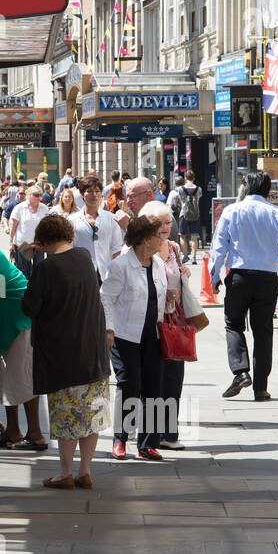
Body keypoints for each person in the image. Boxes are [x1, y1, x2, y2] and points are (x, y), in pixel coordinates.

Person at [22, 214, 111, 489]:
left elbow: (29, 307)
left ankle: (64, 473)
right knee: (90, 415)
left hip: (62, 354)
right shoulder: (84, 257)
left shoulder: (46, 268)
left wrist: (30, 260)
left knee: (67, 415)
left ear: (44, 240)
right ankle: (85, 470)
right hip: (92, 351)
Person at [210, 171, 278, 401]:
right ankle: (261, 387)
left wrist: (214, 278)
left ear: (246, 188)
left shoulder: (231, 212)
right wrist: (275, 255)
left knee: (233, 324)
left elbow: (218, 248)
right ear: (268, 191)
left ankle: (240, 371)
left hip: (239, 276)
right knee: (263, 331)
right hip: (267, 278)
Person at [101, 215, 170, 460]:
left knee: (153, 387)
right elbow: (106, 298)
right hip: (124, 335)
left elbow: (157, 296)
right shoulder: (120, 266)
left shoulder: (158, 264)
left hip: (153, 334)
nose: (162, 238)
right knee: (129, 384)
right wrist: (108, 329)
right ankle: (120, 439)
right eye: (157, 235)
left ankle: (148, 443)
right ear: (143, 240)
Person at [0, 200, 42, 457]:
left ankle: (35, 434)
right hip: (15, 321)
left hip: (21, 323)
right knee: (8, 381)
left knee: (24, 380)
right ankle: (14, 431)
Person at [139, 200, 191, 449]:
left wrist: (183, 276)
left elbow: (176, 275)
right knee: (153, 379)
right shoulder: (142, 250)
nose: (165, 227)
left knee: (174, 377)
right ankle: (152, 434)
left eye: (168, 222)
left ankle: (170, 432)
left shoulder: (172, 248)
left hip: (173, 322)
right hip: (150, 322)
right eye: (160, 223)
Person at [67, 174, 124, 283]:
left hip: (105, 274)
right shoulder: (71, 220)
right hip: (81, 275)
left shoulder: (111, 219)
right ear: (82, 194)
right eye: (89, 191)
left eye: (97, 191)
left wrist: (117, 274)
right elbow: (69, 249)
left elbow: (117, 249)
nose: (94, 195)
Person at [8, 184, 49, 278]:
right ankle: (26, 290)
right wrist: (11, 243)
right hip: (24, 244)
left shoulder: (44, 208)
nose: (39, 197)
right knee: (25, 271)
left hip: (39, 243)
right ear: (29, 195)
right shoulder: (20, 208)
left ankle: (37, 290)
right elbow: (13, 226)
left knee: (39, 270)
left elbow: (47, 226)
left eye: (40, 195)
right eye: (36, 195)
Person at [175, 172, 203, 262]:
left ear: (185, 178)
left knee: (182, 235)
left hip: (184, 213)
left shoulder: (180, 189)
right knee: (194, 235)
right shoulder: (198, 189)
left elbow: (181, 201)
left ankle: (185, 255)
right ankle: (194, 257)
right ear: (194, 178)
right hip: (195, 214)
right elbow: (198, 200)